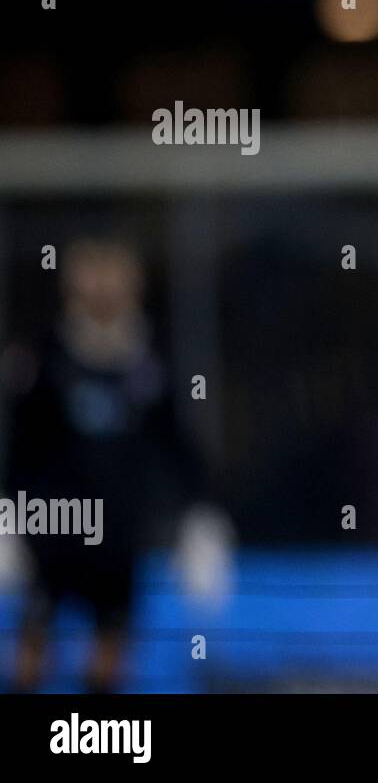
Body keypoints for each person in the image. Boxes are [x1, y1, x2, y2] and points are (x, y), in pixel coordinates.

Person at [2, 237, 211, 693]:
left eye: (113, 277)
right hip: (51, 534)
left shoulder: (149, 364)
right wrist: (8, 520)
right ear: (71, 286)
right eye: (91, 277)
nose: (102, 289)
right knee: (31, 655)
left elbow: (175, 444)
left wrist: (200, 515)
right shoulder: (43, 360)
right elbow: (20, 447)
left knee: (109, 659)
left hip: (118, 537)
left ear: (133, 285)